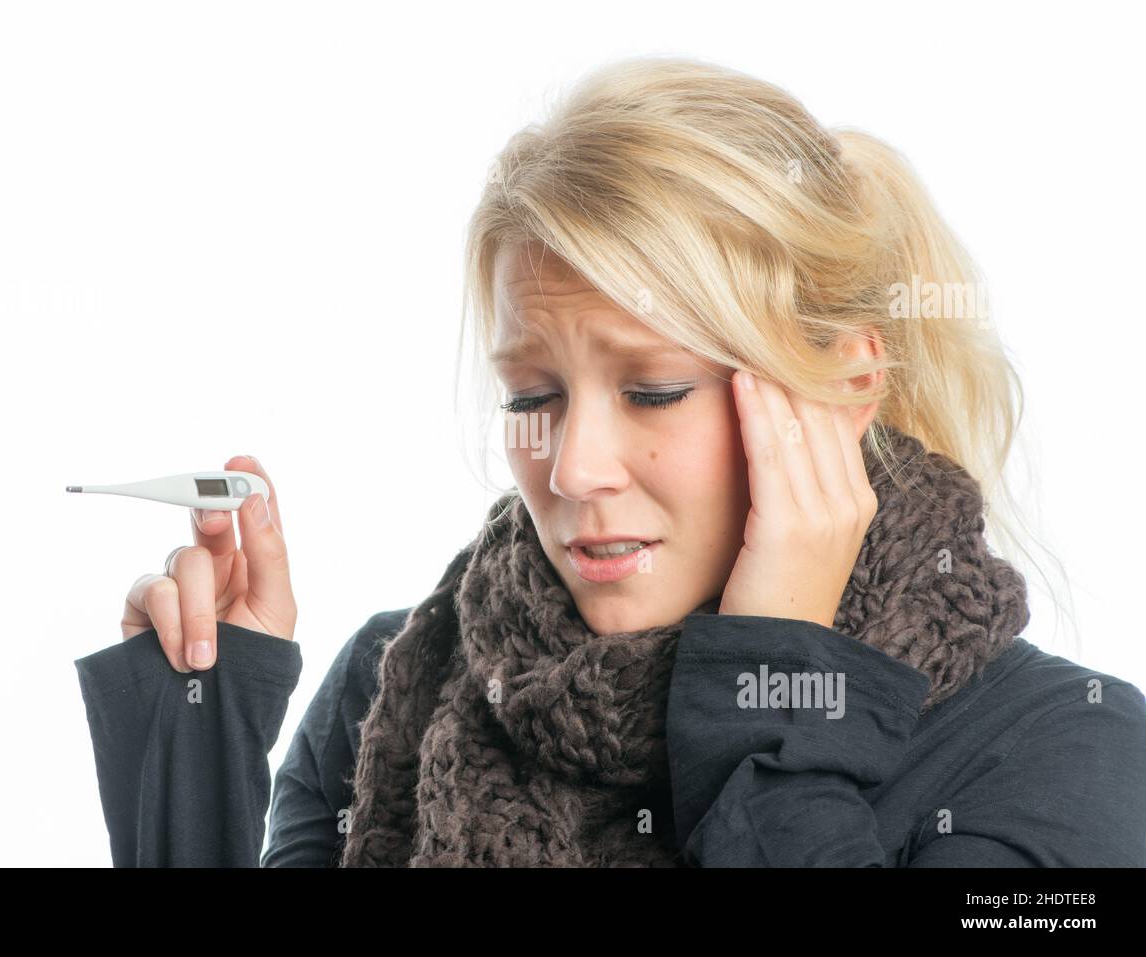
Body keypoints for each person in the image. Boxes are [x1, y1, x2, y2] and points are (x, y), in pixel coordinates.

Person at [74, 55, 1146, 867]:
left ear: (839, 390)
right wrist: (192, 746)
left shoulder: (1068, 756)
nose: (573, 467)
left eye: (654, 391)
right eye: (532, 396)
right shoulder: (389, 685)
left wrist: (773, 686)